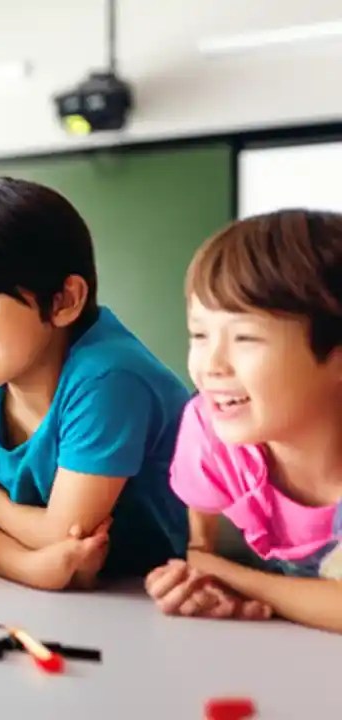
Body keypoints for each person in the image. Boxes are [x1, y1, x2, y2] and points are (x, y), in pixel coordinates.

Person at [0, 176, 190, 591]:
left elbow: (64, 534)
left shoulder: (108, 377)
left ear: (65, 300)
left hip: (162, 593)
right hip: (85, 599)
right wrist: (34, 568)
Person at [145, 210, 342, 632]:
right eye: (199, 335)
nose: (210, 365)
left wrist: (239, 580)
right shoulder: (211, 430)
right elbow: (200, 555)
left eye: (245, 338)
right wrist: (201, 584)